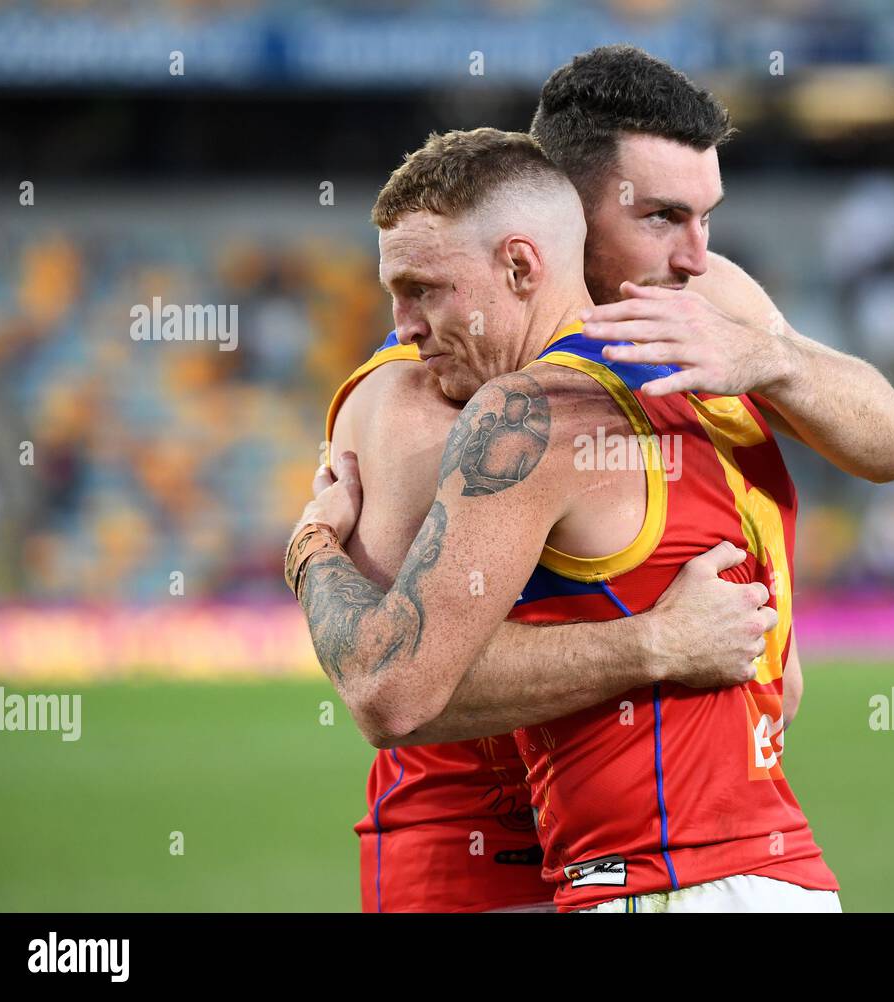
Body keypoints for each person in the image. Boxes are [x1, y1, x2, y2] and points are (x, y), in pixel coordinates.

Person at [290, 127, 838, 911]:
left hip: (644, 876)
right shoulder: (697, 366)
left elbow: (388, 687)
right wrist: (655, 643)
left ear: (522, 263)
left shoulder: (562, 402)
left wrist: (310, 543)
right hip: (534, 863)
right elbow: (783, 684)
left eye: (423, 289)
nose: (403, 325)